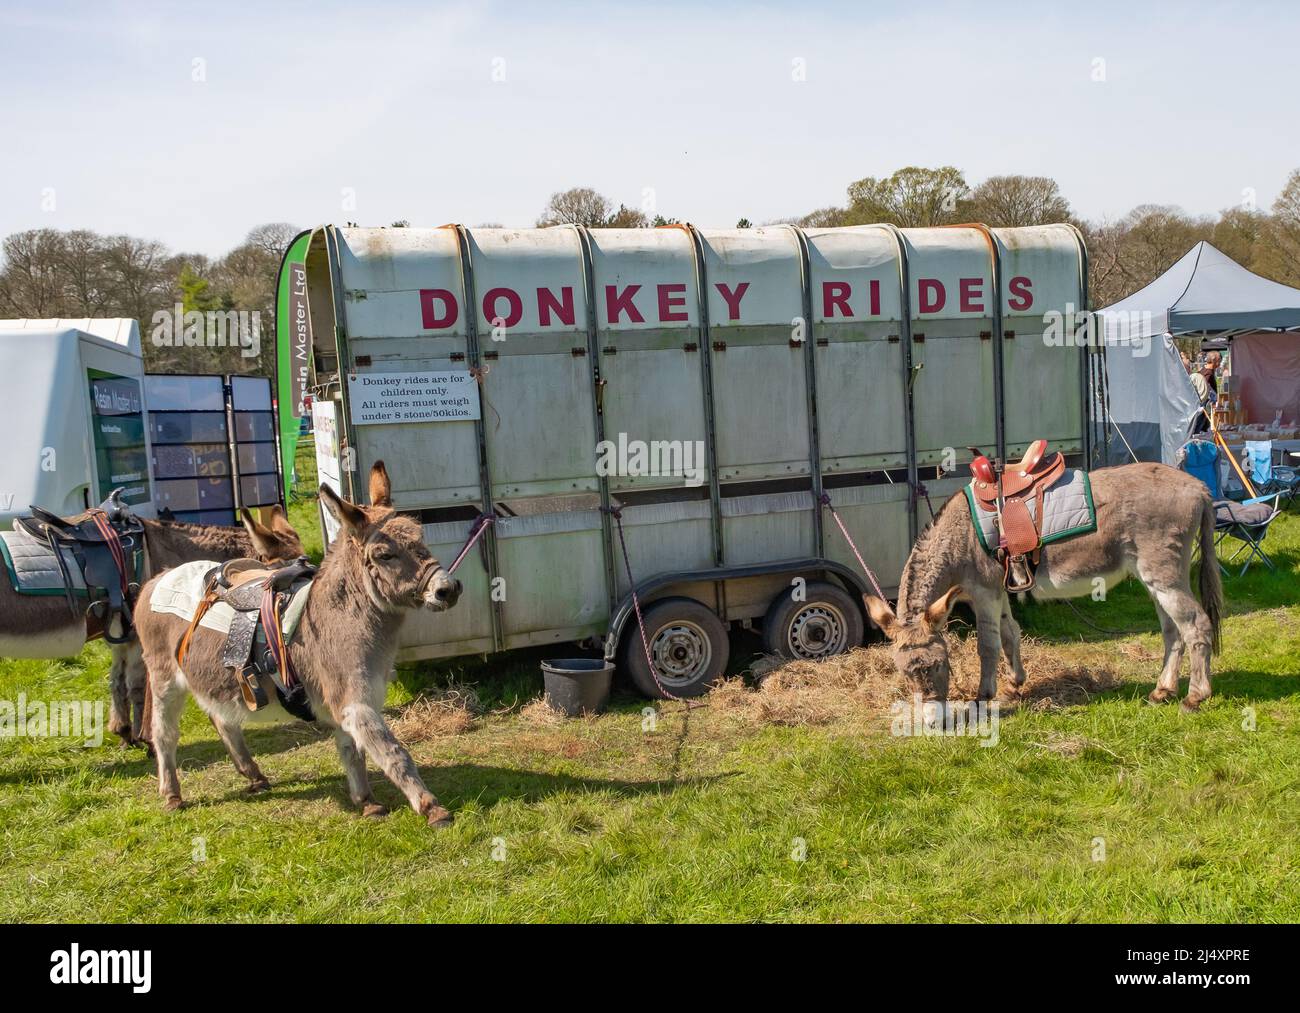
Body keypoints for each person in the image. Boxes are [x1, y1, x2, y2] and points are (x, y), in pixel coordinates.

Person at [1188, 351, 1212, 434]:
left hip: (1199, 406)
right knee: (1195, 431)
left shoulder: (1197, 376)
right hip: (1197, 407)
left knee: (1196, 432)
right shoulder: (1199, 375)